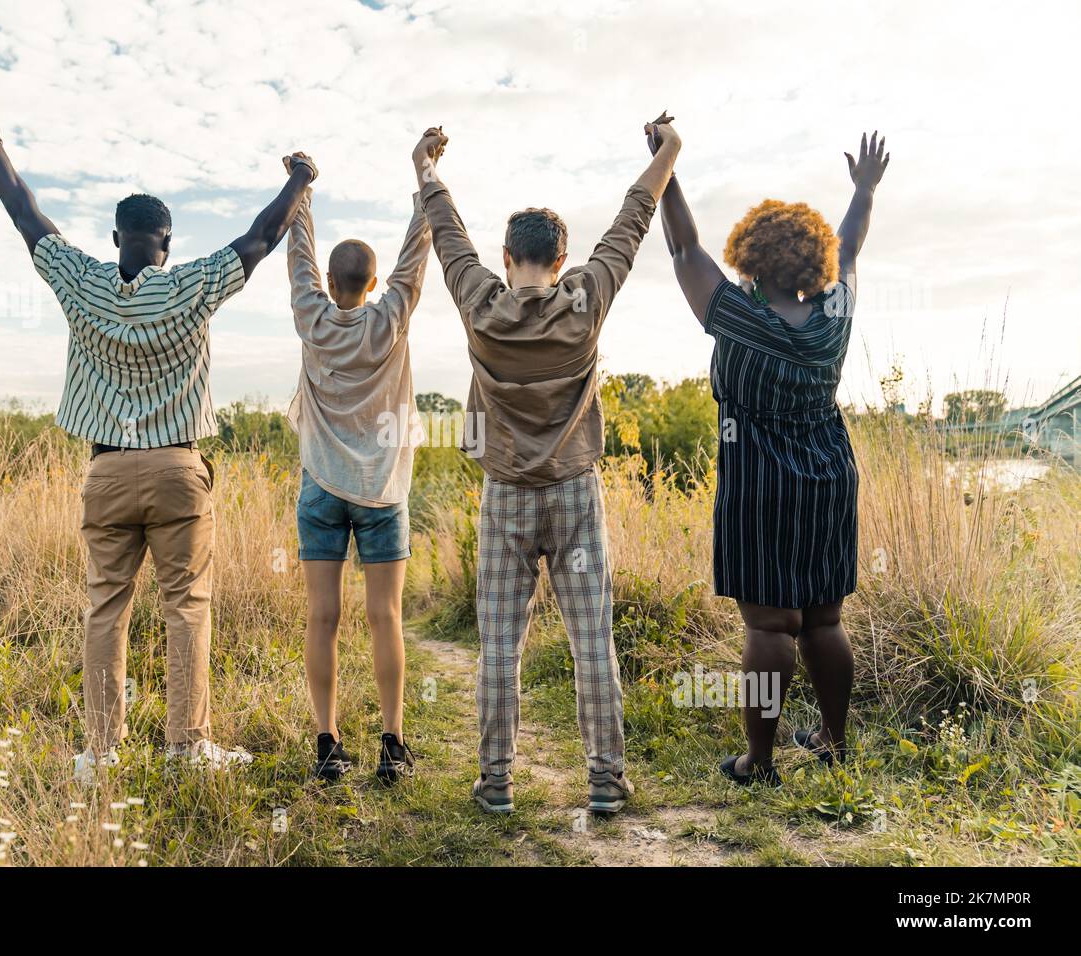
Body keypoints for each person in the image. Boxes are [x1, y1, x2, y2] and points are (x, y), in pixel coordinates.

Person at [0, 94, 318, 783]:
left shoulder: (81, 281)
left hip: (108, 474)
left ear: (116, 236)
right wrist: (298, 181)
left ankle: (101, 752)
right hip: (180, 471)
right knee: (186, 607)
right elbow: (260, 239)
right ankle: (186, 748)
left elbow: (26, 214)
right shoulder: (193, 284)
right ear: (167, 242)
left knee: (105, 608)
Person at [413, 117, 682, 814]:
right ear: (561, 259)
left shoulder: (480, 303)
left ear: (506, 257)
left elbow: (446, 232)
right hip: (573, 493)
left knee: (500, 647)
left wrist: (427, 168)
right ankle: (605, 780)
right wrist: (670, 151)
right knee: (593, 639)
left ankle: (496, 783)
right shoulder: (586, 300)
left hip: (505, 495)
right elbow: (634, 217)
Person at [650, 127, 889, 784]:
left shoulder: (734, 314)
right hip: (830, 476)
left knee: (771, 626)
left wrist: (666, 170)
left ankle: (759, 761)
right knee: (824, 618)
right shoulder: (837, 309)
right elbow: (854, 241)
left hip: (758, 483)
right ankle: (834, 744)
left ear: (749, 257)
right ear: (817, 263)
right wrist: (864, 189)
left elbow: (683, 248)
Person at [282, 139, 437, 783]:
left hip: (320, 487)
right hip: (381, 493)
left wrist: (303, 192)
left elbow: (297, 256)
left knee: (323, 618)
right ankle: (392, 744)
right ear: (371, 284)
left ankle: (326, 745)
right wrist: (425, 177)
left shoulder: (310, 316)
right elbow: (415, 259)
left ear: (328, 283)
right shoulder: (390, 319)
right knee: (386, 617)